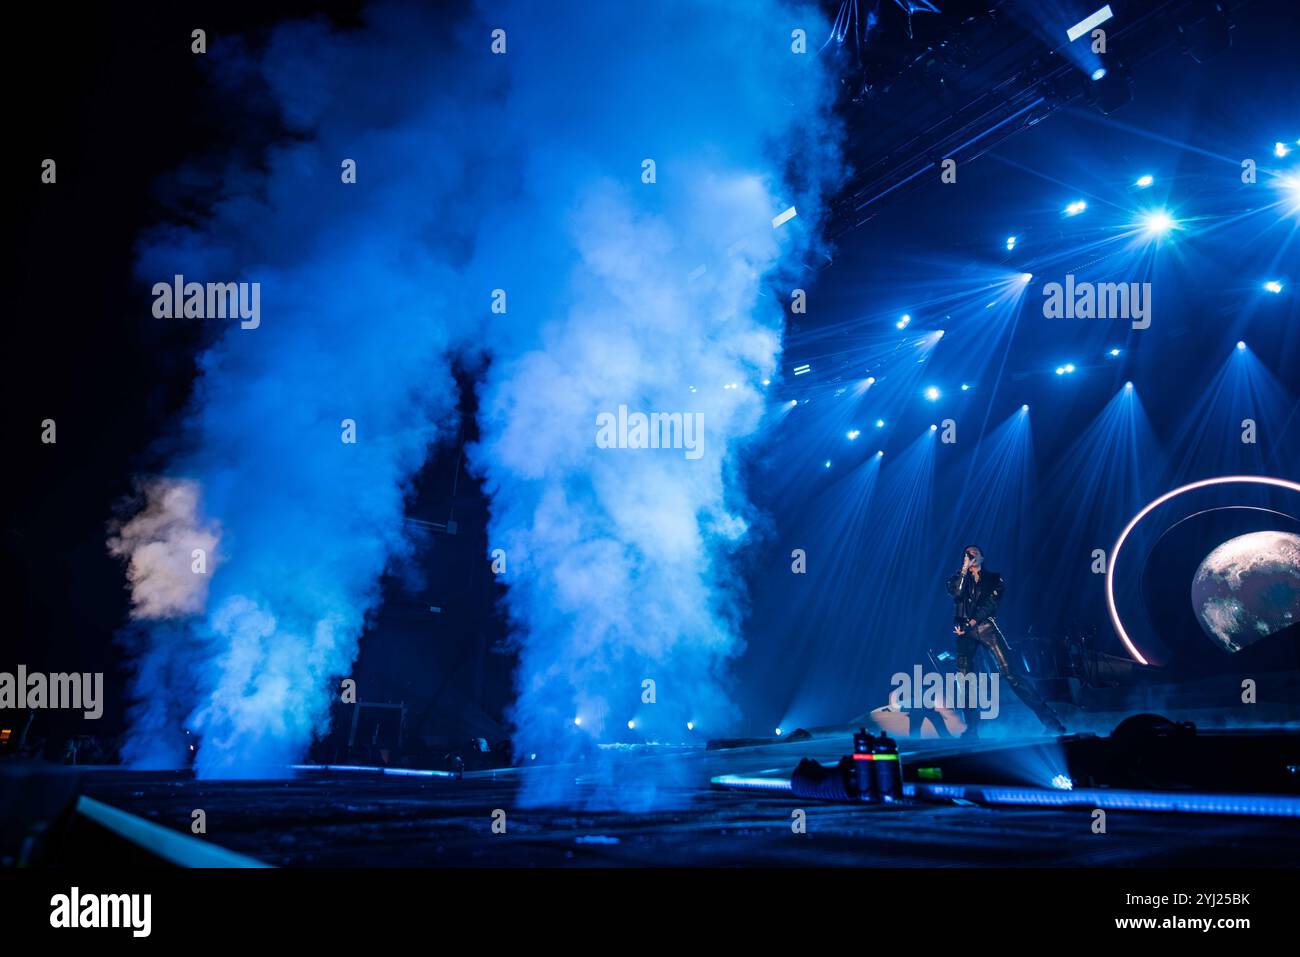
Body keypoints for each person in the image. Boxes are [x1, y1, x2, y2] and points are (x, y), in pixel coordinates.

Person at [945, 545, 1065, 738]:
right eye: (967, 552)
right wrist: (964, 570)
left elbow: (990, 605)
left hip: (987, 628)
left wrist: (973, 622)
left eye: (975, 552)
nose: (971, 554)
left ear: (983, 557)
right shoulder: (957, 579)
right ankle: (972, 728)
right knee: (966, 681)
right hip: (963, 634)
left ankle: (1052, 721)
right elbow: (957, 594)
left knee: (1012, 676)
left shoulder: (995, 579)